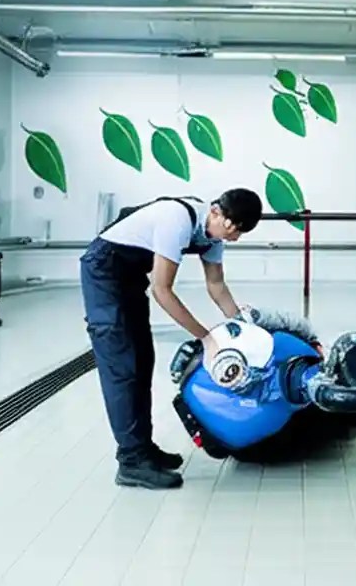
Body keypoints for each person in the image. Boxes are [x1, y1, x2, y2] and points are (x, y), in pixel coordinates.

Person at [79, 188, 263, 489]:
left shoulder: (212, 235)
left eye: (239, 232)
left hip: (128, 278)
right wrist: (205, 337)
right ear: (216, 211)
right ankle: (131, 462)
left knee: (142, 359)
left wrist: (242, 325)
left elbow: (216, 285)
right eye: (231, 228)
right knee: (122, 365)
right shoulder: (177, 219)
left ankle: (143, 448)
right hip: (103, 271)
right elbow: (162, 290)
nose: (233, 237)